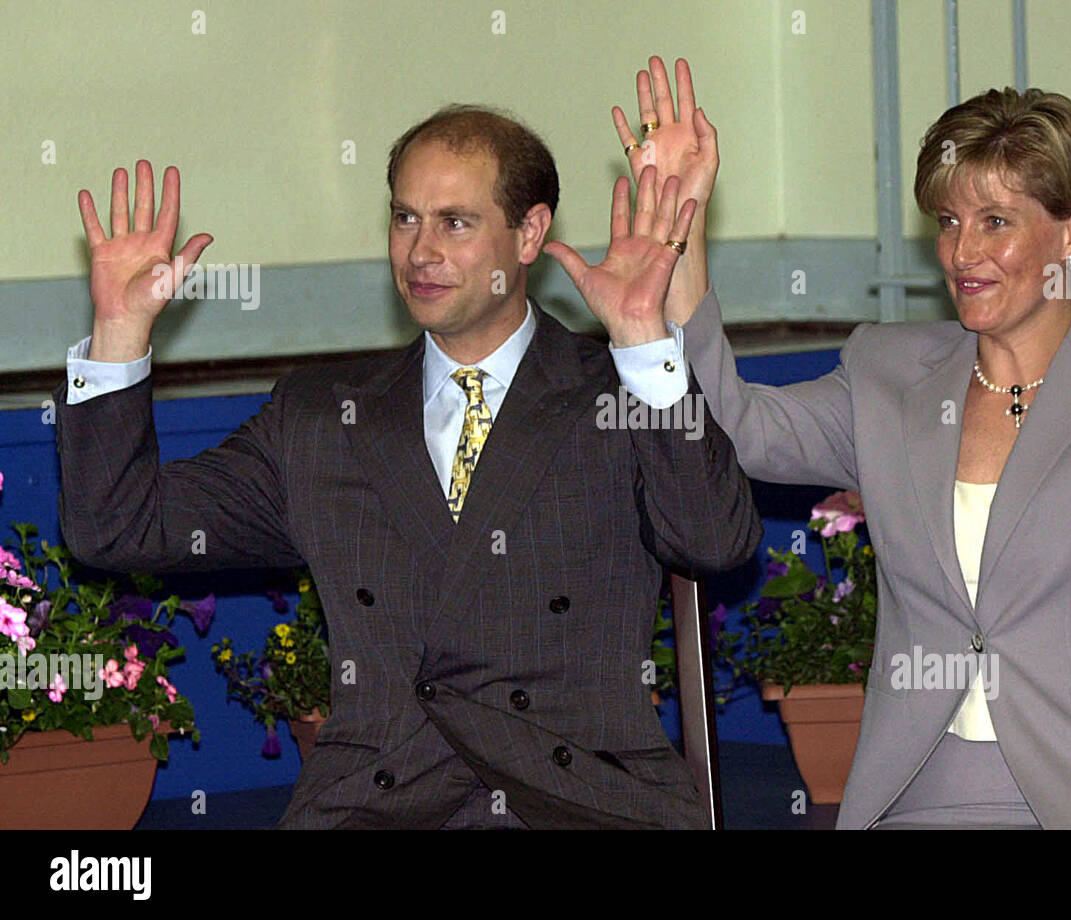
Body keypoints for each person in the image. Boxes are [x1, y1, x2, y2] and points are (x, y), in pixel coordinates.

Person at [52, 105, 763, 829]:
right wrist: (118, 332)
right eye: (404, 219)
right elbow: (119, 530)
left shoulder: (619, 391)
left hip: (582, 806)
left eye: (454, 222)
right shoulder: (324, 416)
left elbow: (714, 541)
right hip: (377, 807)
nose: (420, 251)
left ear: (529, 234)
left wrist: (643, 337)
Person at [625, 56, 1071, 828]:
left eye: (995, 221)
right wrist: (682, 231)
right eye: (950, 222)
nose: (963, 252)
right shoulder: (889, 374)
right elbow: (734, 433)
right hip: (921, 790)